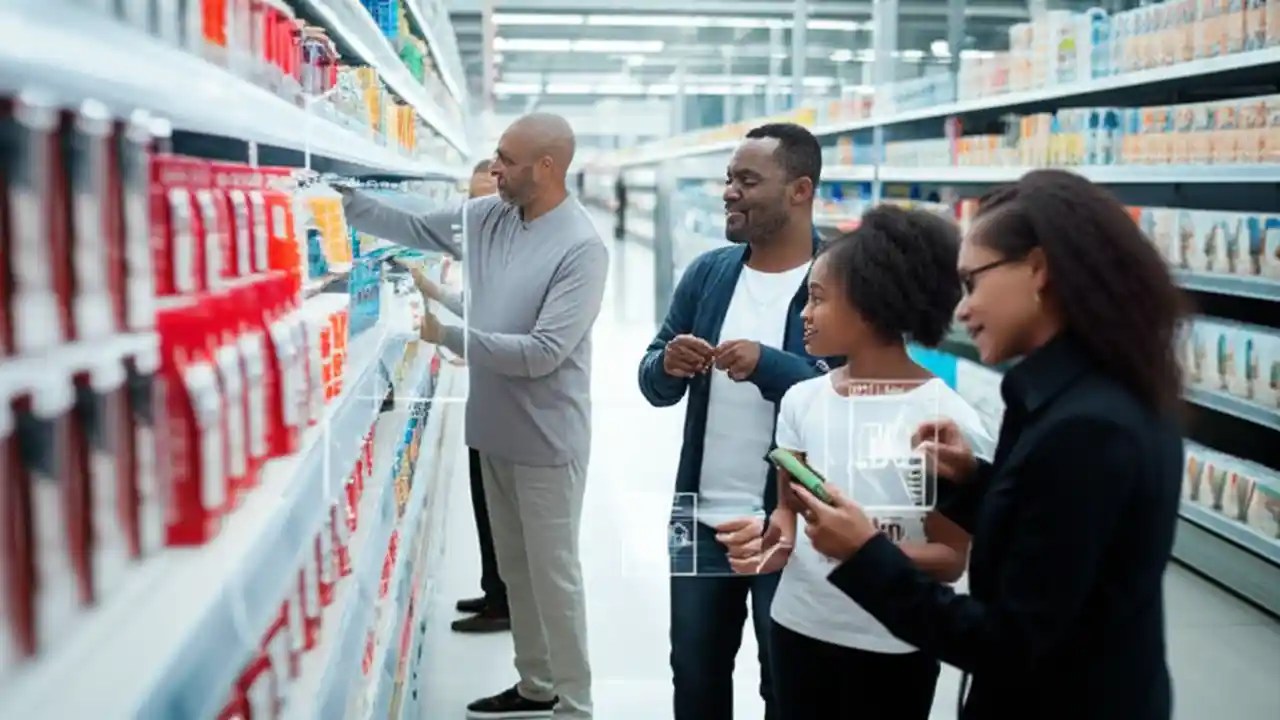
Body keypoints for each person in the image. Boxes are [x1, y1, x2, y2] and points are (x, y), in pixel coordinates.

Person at [793, 169, 1185, 720]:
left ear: (1039, 269)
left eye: (973, 282)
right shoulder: (1103, 393)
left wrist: (866, 555)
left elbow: (1008, 641)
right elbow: (1055, 535)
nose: (962, 309)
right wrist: (970, 481)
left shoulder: (1087, 428)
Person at [341, 113, 608, 720]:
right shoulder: (488, 217)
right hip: (493, 427)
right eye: (495, 155)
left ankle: (576, 702)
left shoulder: (582, 248)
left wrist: (448, 333)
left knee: (553, 575)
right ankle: (536, 683)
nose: (495, 167)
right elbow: (412, 221)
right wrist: (340, 196)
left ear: (546, 166)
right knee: (515, 570)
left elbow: (543, 353)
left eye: (507, 159)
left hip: (547, 439)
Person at [721, 205, 995, 719]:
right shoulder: (802, 400)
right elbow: (788, 512)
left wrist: (860, 549)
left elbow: (950, 558)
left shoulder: (943, 420)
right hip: (797, 626)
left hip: (892, 641)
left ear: (871, 305)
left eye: (818, 299)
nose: (804, 313)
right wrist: (773, 539)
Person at [636, 123, 837, 720]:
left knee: (789, 680)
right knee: (695, 675)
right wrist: (668, 365)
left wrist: (772, 366)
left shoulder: (844, 279)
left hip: (793, 526)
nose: (729, 192)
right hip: (699, 517)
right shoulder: (709, 273)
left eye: (747, 180)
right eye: (728, 178)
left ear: (799, 190)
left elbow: (852, 400)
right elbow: (651, 384)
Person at [403, 159, 510, 634]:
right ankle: (495, 589)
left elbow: (507, 330)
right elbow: (480, 306)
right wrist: (433, 290)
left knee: (500, 507)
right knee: (484, 499)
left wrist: (447, 334)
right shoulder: (490, 245)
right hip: (489, 396)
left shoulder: (513, 247)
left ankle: (506, 600)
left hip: (514, 404)